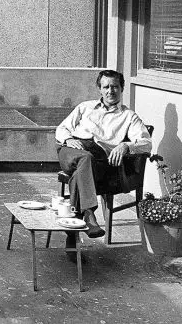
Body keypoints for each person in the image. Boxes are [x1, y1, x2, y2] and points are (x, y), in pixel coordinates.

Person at [55, 70, 152, 242]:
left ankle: (73, 239)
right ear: (99, 89)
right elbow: (61, 128)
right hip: (70, 151)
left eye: (115, 86)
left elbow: (146, 143)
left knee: (83, 169)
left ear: (122, 88)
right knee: (85, 158)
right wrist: (69, 139)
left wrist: (126, 145)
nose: (110, 91)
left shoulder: (128, 116)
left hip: (97, 161)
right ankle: (89, 214)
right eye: (106, 87)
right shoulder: (84, 107)